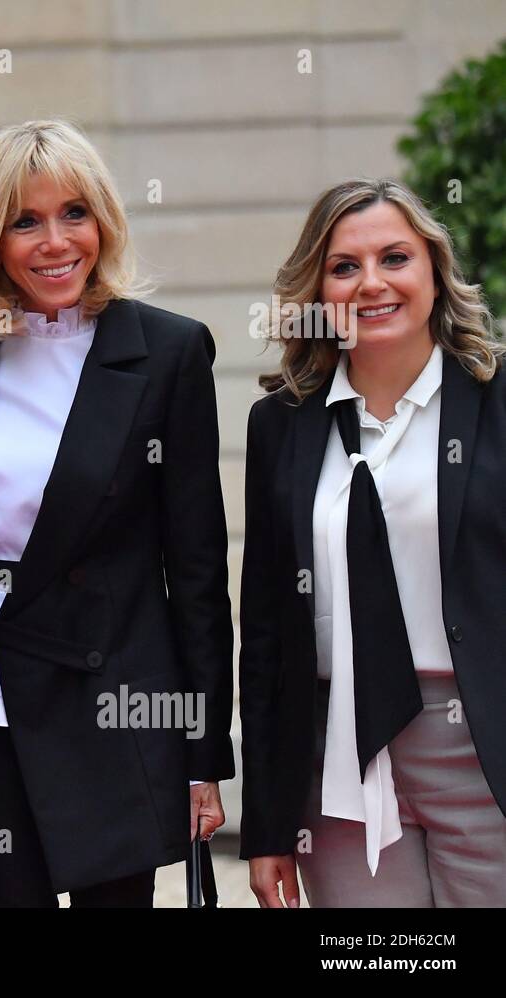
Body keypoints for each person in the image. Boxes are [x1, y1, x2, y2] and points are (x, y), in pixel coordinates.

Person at [0, 120, 233, 908]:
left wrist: (204, 753)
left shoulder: (168, 351)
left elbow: (195, 571)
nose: (55, 241)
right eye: (24, 220)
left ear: (104, 222)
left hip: (113, 710)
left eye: (74, 213)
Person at [241, 178, 506, 908]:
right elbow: (263, 635)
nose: (372, 283)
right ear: (318, 288)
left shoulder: (495, 400)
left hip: (480, 745)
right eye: (345, 266)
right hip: (336, 755)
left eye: (395, 257)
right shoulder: (281, 427)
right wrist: (266, 825)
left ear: (434, 272)